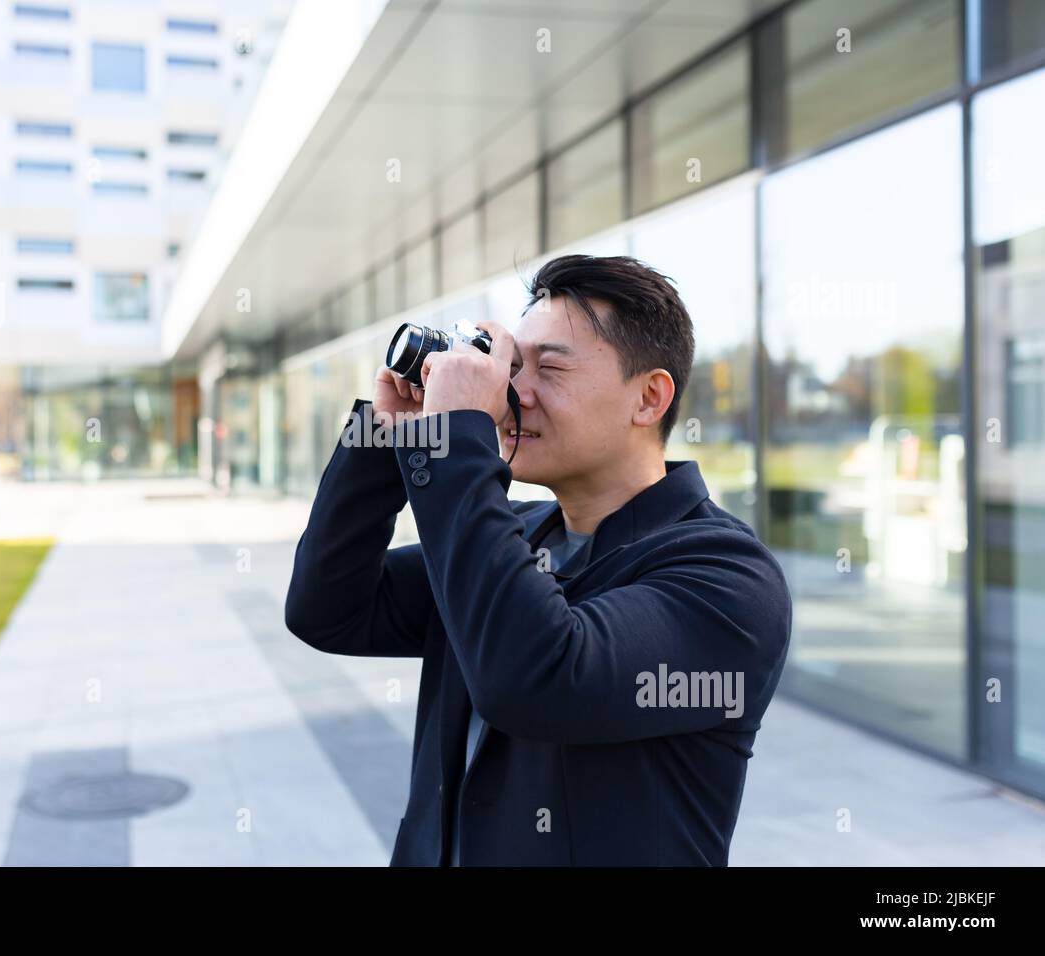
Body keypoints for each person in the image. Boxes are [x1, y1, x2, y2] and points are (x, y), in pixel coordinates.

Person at [284, 254, 793, 865]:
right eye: (513, 368)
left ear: (649, 398)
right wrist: (390, 439)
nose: (514, 394)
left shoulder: (729, 578)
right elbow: (329, 610)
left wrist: (461, 440)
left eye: (549, 368)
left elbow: (537, 678)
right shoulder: (516, 536)